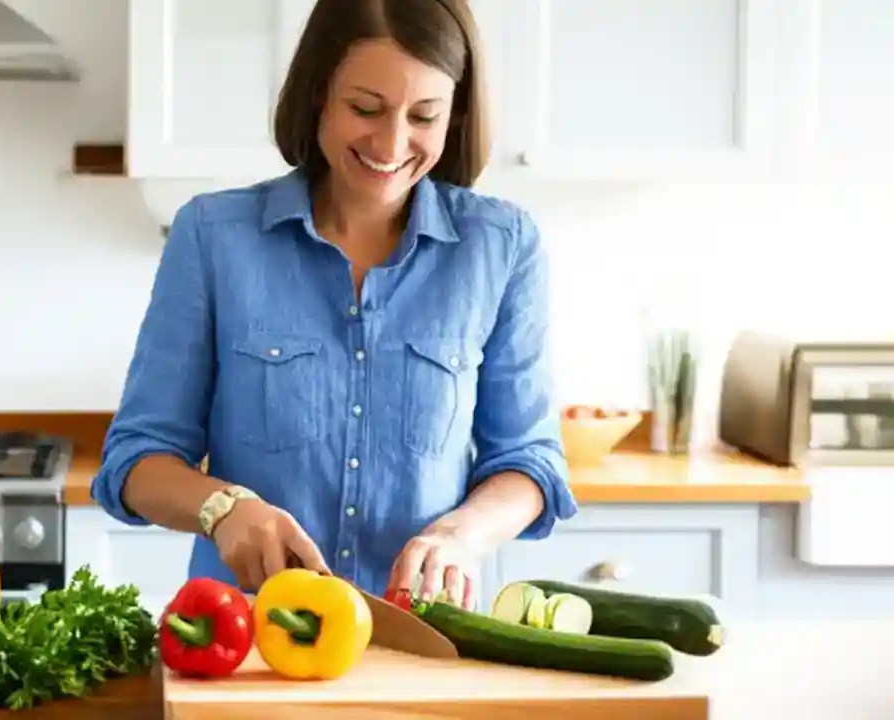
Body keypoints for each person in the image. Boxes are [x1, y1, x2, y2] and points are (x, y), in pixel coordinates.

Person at [91, 0, 577, 610]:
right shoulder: (213, 237)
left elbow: (528, 462)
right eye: (365, 108)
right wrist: (223, 509)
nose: (392, 143)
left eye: (424, 116)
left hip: (422, 643)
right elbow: (136, 461)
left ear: (455, 116)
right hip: (244, 642)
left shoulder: (502, 246)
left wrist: (461, 535)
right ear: (319, 94)